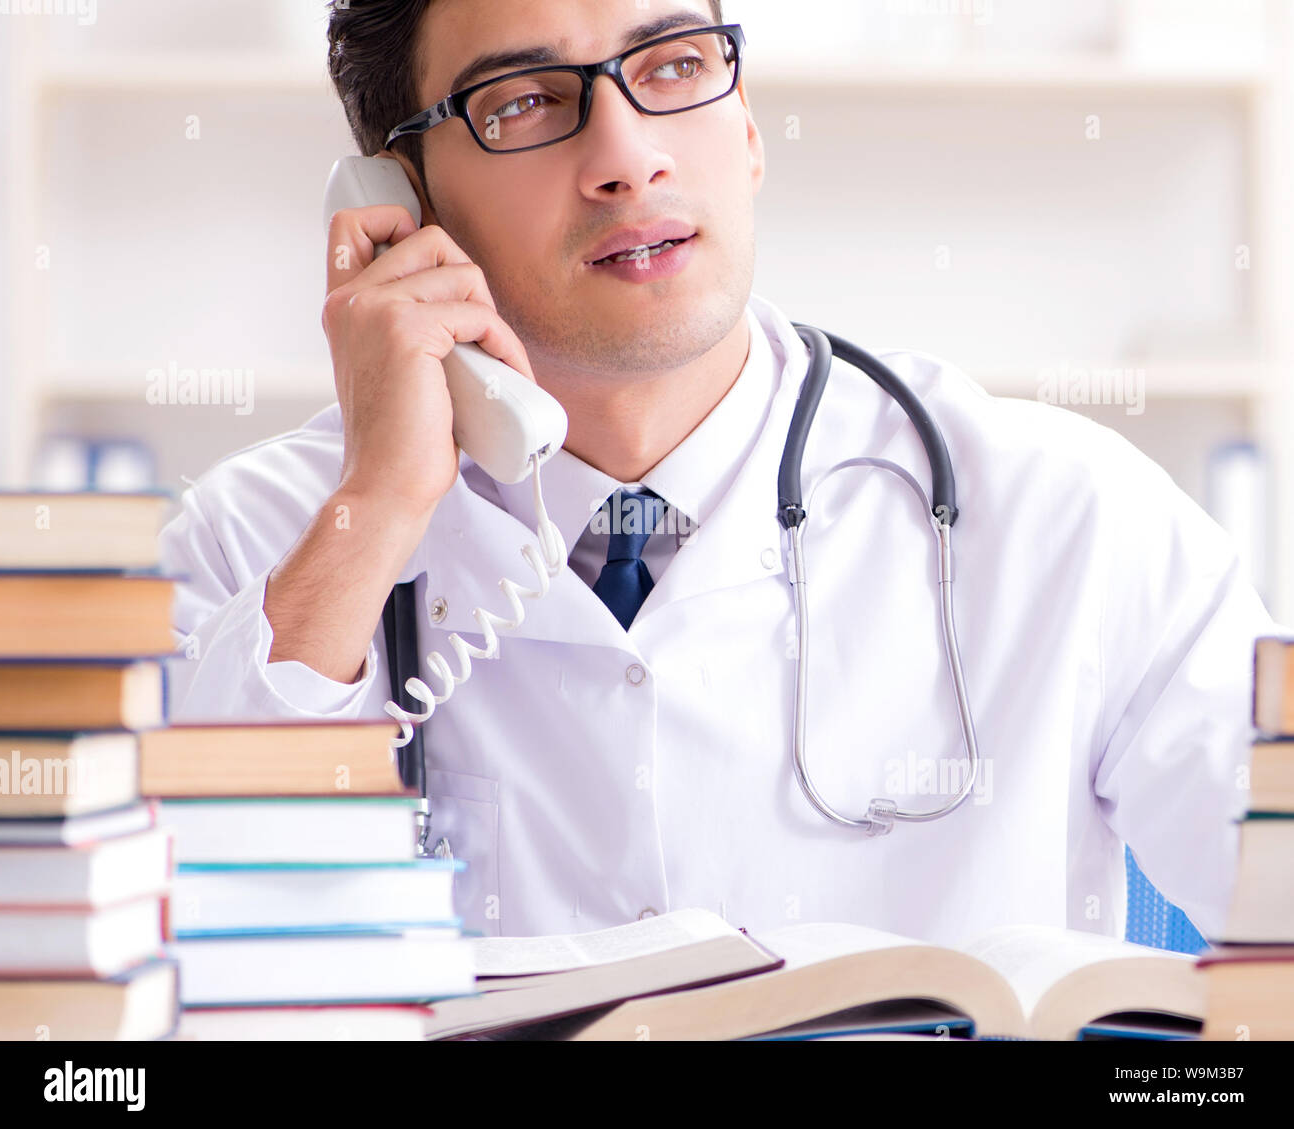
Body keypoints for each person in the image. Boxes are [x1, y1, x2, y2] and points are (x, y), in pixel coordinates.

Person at [159, 0, 1284, 945]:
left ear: (745, 127)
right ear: (397, 204)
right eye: (526, 103)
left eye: (676, 68)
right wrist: (382, 505)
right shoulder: (257, 548)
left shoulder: (1070, 518)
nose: (626, 157)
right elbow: (163, 985)